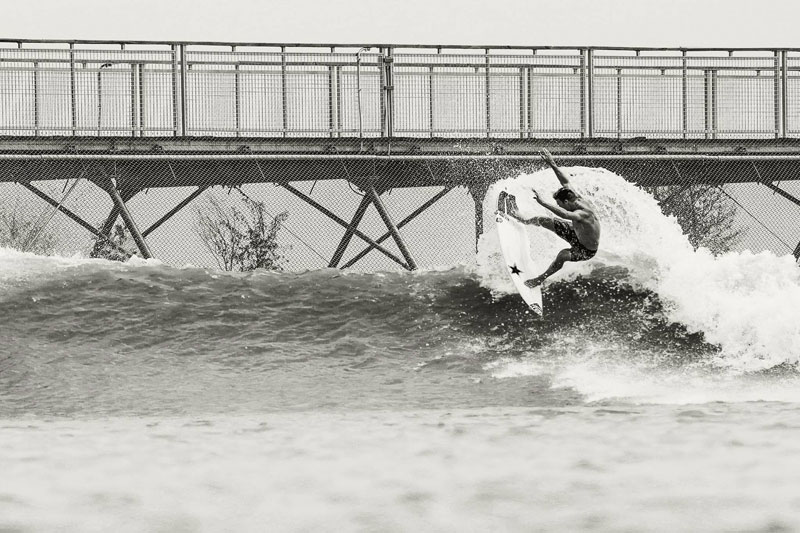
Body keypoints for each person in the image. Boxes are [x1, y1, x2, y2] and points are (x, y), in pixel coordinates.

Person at [503, 149, 600, 288]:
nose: (559, 205)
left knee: (563, 255)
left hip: (585, 250)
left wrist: (543, 203)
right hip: (576, 233)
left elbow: (566, 215)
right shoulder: (573, 196)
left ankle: (539, 280)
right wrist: (552, 163)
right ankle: (522, 219)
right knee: (543, 220)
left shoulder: (583, 212)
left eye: (559, 204)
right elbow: (565, 181)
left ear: (566, 202)